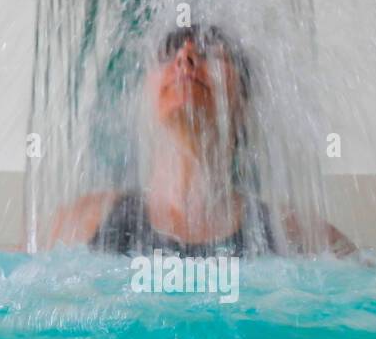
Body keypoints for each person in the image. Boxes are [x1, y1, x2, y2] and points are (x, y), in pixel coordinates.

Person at [45, 25, 356, 257]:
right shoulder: (81, 224)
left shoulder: (297, 235)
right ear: (142, 97)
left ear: (245, 103)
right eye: (168, 54)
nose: (185, 57)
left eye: (210, 54)